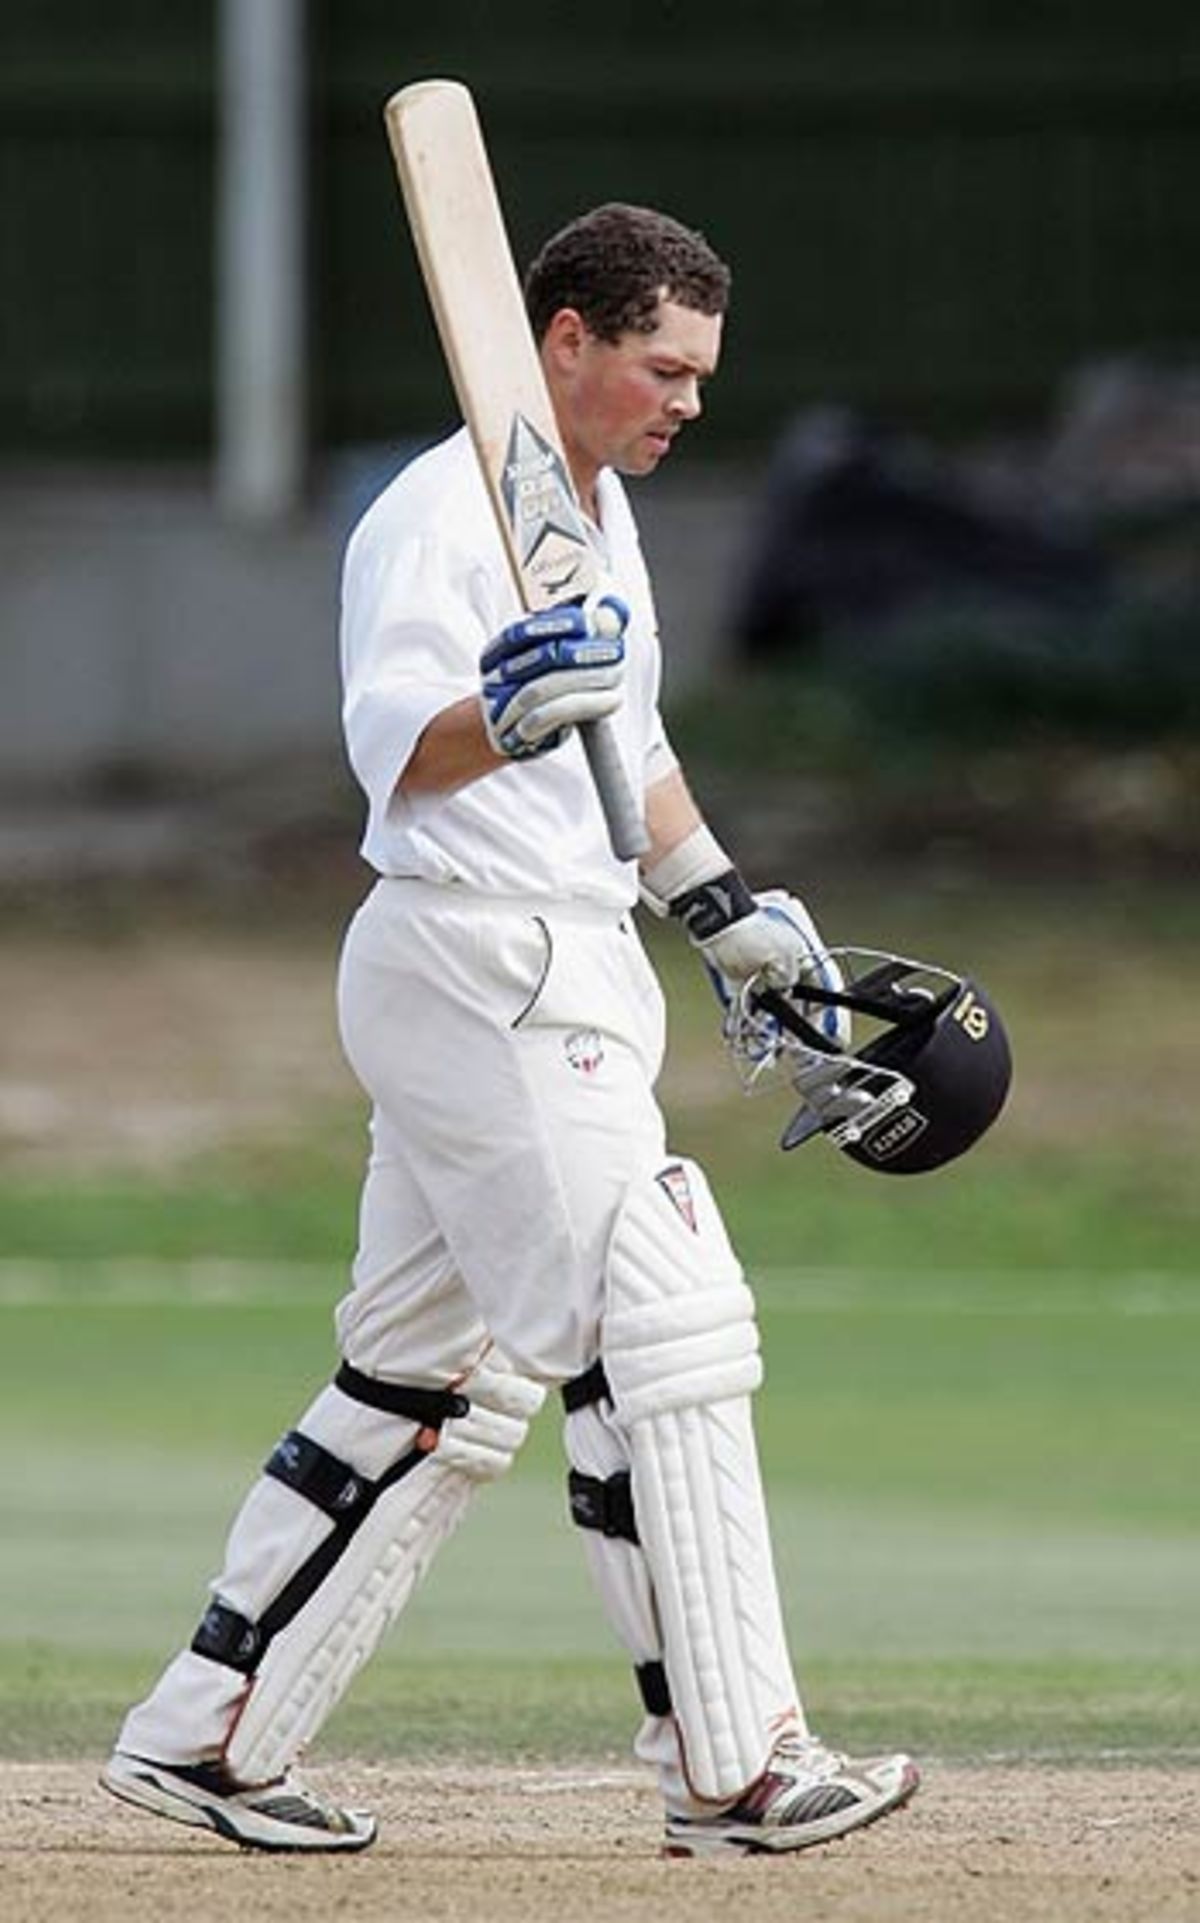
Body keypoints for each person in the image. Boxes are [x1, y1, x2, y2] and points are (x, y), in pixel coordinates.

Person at [101, 202, 919, 1858]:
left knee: (432, 1380)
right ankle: (735, 1761)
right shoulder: (435, 516)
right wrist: (507, 706)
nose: (690, 400)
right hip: (481, 960)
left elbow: (635, 747)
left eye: (702, 372)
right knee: (663, 1317)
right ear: (565, 339)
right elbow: (398, 745)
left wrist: (726, 910)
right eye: (664, 366)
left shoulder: (592, 516)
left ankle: (208, 1733)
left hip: (562, 954)